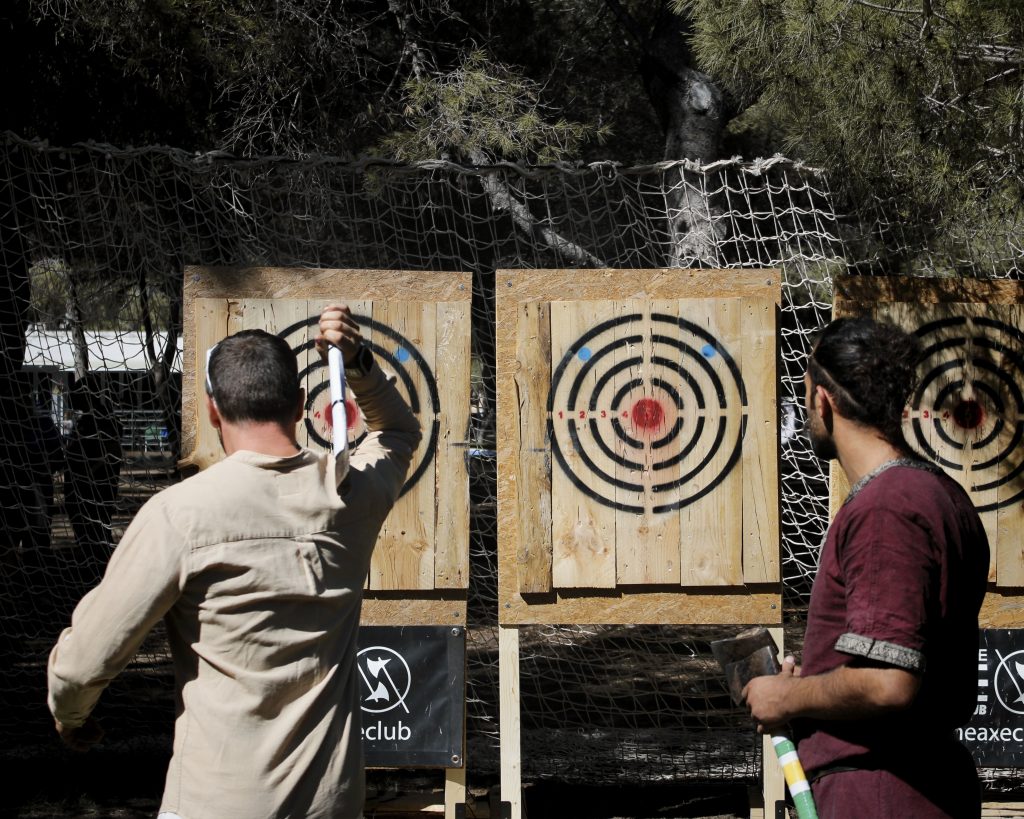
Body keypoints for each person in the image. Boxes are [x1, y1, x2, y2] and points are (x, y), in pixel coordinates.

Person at [47, 305, 420, 819]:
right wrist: (355, 363)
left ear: (212, 410)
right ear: (299, 406)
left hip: (215, 800)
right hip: (330, 802)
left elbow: (82, 663)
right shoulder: (350, 496)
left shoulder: (180, 514)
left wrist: (72, 716)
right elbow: (399, 433)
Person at [743, 316, 989, 818]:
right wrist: (810, 685)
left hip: (883, 794)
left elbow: (887, 681)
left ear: (822, 401)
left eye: (805, 389)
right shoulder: (938, 494)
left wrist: (788, 698)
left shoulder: (888, 507)